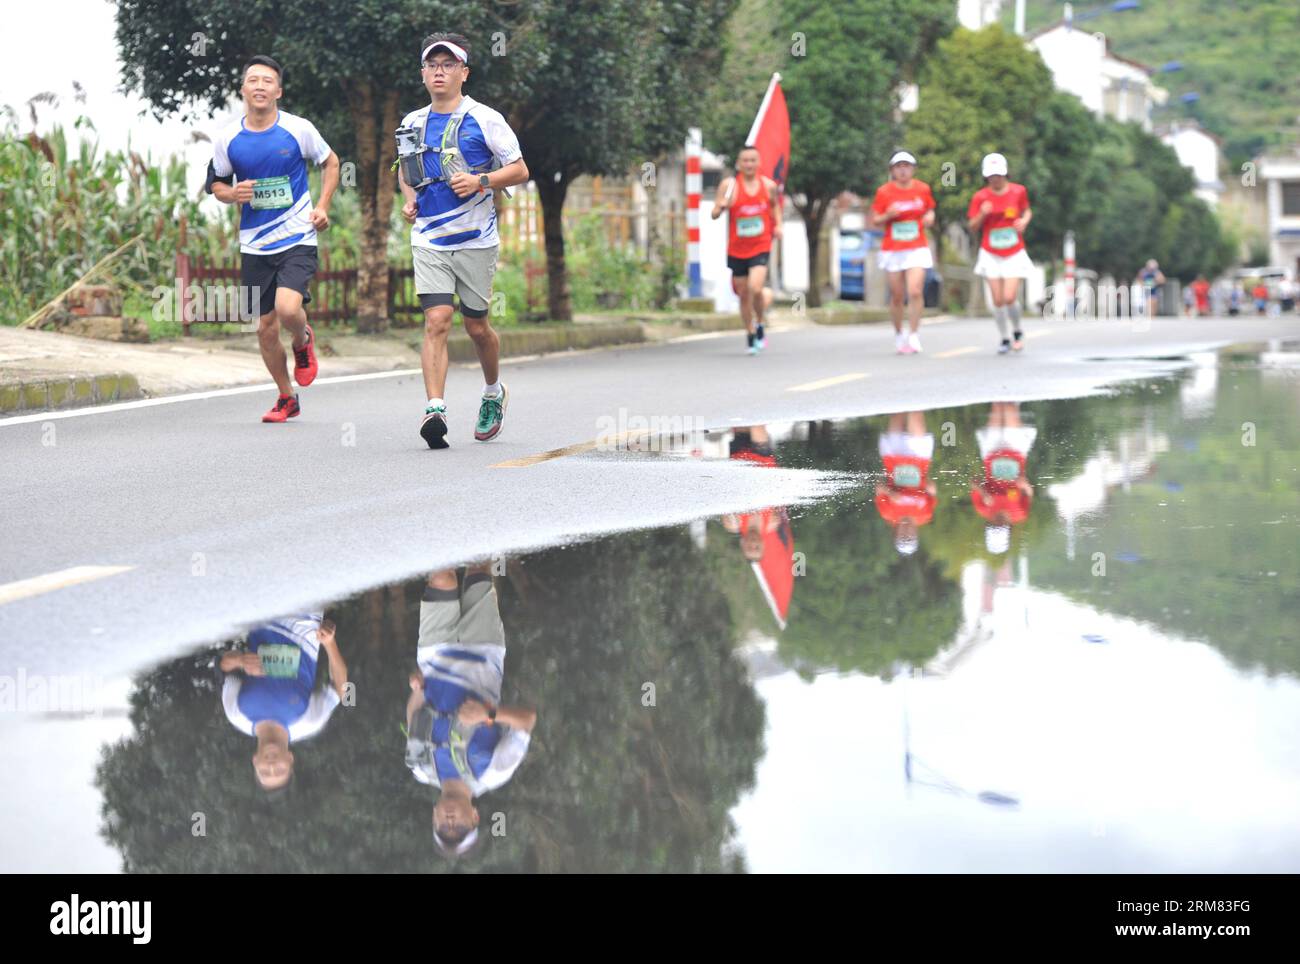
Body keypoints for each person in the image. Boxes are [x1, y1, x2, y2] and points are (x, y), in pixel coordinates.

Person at [399, 34, 530, 449]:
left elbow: (520, 169)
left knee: (476, 325)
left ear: (464, 73)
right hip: (429, 238)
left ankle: (493, 392)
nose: (440, 71)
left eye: (448, 64)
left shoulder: (486, 118)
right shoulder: (412, 123)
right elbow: (406, 171)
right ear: (423, 74)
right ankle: (434, 408)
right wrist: (410, 201)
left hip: (476, 239)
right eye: (432, 65)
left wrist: (481, 181)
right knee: (437, 320)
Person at [210, 56, 340, 423]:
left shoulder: (299, 129)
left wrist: (324, 206)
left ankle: (302, 340)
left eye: (268, 81)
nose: (260, 86)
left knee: (286, 309)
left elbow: (331, 162)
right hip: (254, 244)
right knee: (265, 328)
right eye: (253, 80)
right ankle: (286, 396)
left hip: (298, 235)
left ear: (278, 91)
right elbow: (216, 184)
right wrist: (231, 194)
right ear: (243, 90)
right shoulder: (227, 138)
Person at [405, 565, 536, 859]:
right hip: (483, 651)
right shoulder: (494, 772)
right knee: (478, 570)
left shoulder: (420, 767)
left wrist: (416, 687)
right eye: (460, 827)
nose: (450, 822)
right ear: (474, 818)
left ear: (434, 818)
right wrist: (488, 715)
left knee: (442, 577)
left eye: (443, 827)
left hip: (435, 655)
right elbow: (527, 720)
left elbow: (414, 715)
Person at [221, 614, 347, 791]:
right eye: (279, 770)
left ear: (255, 760)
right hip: (305, 615)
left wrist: (240, 661)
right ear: (290, 759)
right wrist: (330, 644)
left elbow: (225, 665)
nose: (271, 766)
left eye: (264, 771)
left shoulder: (237, 716)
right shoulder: (308, 723)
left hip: (261, 613)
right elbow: (341, 690)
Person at [711, 146, 782, 354]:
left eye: (753, 160)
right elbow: (714, 213)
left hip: (760, 245)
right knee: (743, 294)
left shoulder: (768, 186)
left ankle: (760, 322)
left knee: (756, 287)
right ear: (738, 164)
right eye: (745, 161)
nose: (749, 165)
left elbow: (775, 207)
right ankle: (750, 332)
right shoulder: (729, 186)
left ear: (759, 163)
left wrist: (778, 225)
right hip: (737, 248)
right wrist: (721, 206)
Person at [967, 153, 1033, 354]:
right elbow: (972, 226)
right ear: (986, 176)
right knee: (997, 300)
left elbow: (1027, 211)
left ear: (1005, 174)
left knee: (1009, 296)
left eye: (999, 175)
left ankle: (1017, 331)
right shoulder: (980, 197)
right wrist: (982, 214)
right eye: (991, 176)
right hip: (990, 252)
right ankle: (1004, 337)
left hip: (1013, 251)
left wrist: (1024, 222)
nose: (995, 179)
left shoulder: (1018, 191)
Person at [870, 151, 936, 354]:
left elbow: (930, 209)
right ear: (892, 170)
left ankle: (914, 334)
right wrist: (887, 215)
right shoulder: (884, 192)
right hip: (893, 249)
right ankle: (899, 334)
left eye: (906, 165)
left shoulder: (922, 189)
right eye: (898, 166)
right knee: (897, 295)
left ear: (913, 169)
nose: (903, 170)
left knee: (915, 290)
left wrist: (929, 218)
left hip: (916, 246)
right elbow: (875, 219)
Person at [971, 402, 1035, 557]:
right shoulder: (1020, 513)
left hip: (991, 452)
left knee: (998, 406)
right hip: (1016, 452)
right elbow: (1029, 493)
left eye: (994, 525)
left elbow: (973, 481)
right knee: (1010, 408)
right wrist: (1024, 484)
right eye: (1001, 526)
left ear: (989, 526)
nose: (998, 521)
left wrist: (983, 492)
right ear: (1008, 529)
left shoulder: (983, 509)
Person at [874, 411, 937, 556]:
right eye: (910, 536)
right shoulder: (925, 515)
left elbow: (878, 486)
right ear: (916, 535)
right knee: (916, 414)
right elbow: (932, 492)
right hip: (919, 458)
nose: (907, 532)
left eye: (903, 536)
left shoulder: (887, 513)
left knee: (898, 413)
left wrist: (890, 492)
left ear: (896, 533)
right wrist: (931, 488)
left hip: (893, 457)